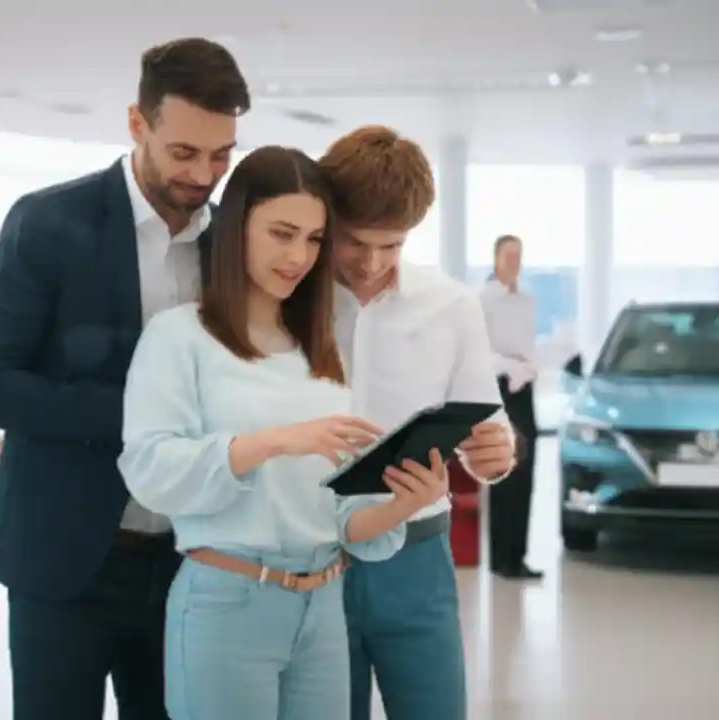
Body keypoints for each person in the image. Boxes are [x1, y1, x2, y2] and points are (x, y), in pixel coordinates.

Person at [0, 37, 250, 719]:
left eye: (220, 155)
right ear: (137, 123)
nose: (203, 174)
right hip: (63, 562)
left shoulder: (231, 242)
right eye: (184, 151)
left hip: (192, 566)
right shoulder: (48, 222)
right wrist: (146, 414)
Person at [119, 146, 449, 719]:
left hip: (324, 607)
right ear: (237, 226)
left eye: (315, 239)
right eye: (282, 233)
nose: (299, 256)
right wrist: (276, 441)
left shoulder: (318, 349)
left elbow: (342, 519)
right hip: (227, 606)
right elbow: (150, 471)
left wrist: (402, 504)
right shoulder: (179, 336)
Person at [316, 125, 518, 720]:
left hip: (417, 557)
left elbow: (487, 421)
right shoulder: (288, 302)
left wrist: (496, 455)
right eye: (354, 242)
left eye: (392, 246)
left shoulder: (451, 305)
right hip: (314, 556)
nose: (371, 264)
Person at [480, 234, 543, 581]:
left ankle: (518, 555)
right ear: (496, 259)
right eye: (508, 256)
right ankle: (500, 558)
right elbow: (479, 349)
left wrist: (530, 366)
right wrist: (510, 367)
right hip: (499, 385)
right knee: (503, 466)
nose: (514, 263)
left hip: (525, 385)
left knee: (527, 466)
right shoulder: (483, 298)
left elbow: (527, 343)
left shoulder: (527, 298)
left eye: (519, 256)